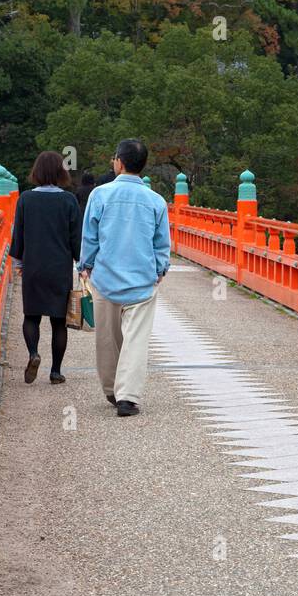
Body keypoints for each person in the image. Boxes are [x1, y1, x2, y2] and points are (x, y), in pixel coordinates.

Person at [78, 138, 171, 417]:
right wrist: (160, 269)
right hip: (142, 280)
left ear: (119, 161)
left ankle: (111, 388)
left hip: (106, 276)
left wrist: (86, 264)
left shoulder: (100, 195)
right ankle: (127, 397)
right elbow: (161, 242)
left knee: (107, 337)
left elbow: (90, 235)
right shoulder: (155, 200)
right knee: (136, 340)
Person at [9, 150, 82, 385]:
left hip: (34, 266)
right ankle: (56, 371)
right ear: (61, 172)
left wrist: (18, 262)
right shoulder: (69, 200)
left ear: (37, 172)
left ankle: (33, 354)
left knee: (31, 316)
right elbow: (76, 238)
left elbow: (18, 233)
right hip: (59, 268)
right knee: (58, 321)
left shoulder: (26, 199)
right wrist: (82, 263)